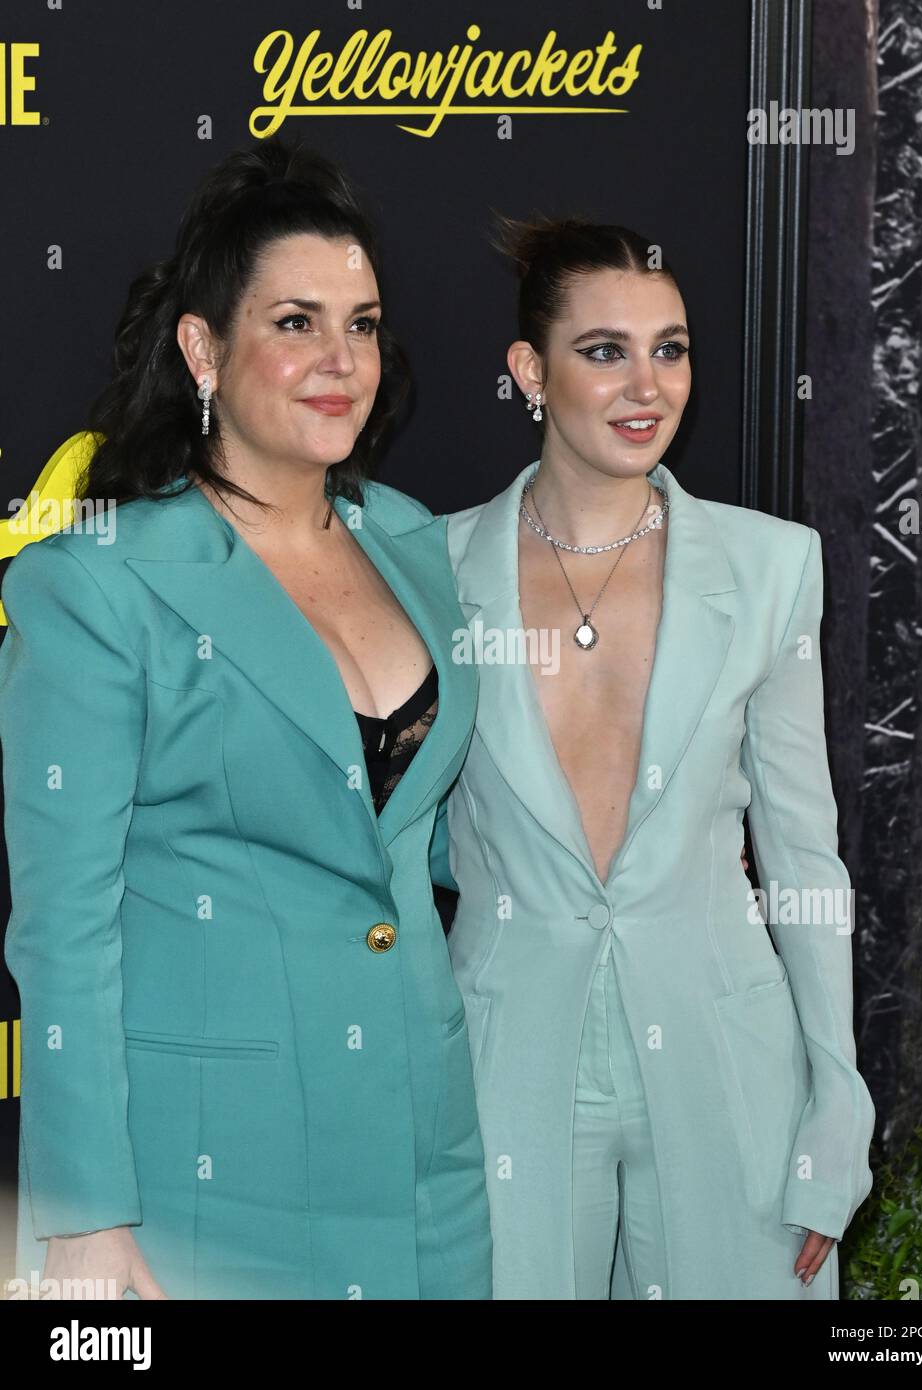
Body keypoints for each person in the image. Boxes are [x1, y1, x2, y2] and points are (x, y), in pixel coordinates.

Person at [0, 136, 492, 1300]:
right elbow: (64, 928)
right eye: (294, 323)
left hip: (425, 1159)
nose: (339, 361)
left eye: (361, 325)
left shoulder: (413, 542)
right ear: (202, 348)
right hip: (209, 1181)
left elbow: (426, 841)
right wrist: (85, 1214)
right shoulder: (97, 584)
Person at [430, 215, 876, 1299]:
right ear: (529, 371)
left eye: (668, 349)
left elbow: (802, 856)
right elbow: (403, 832)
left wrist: (836, 1098)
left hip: (729, 1062)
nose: (646, 386)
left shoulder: (770, 567)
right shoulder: (426, 568)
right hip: (504, 1064)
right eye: (604, 351)